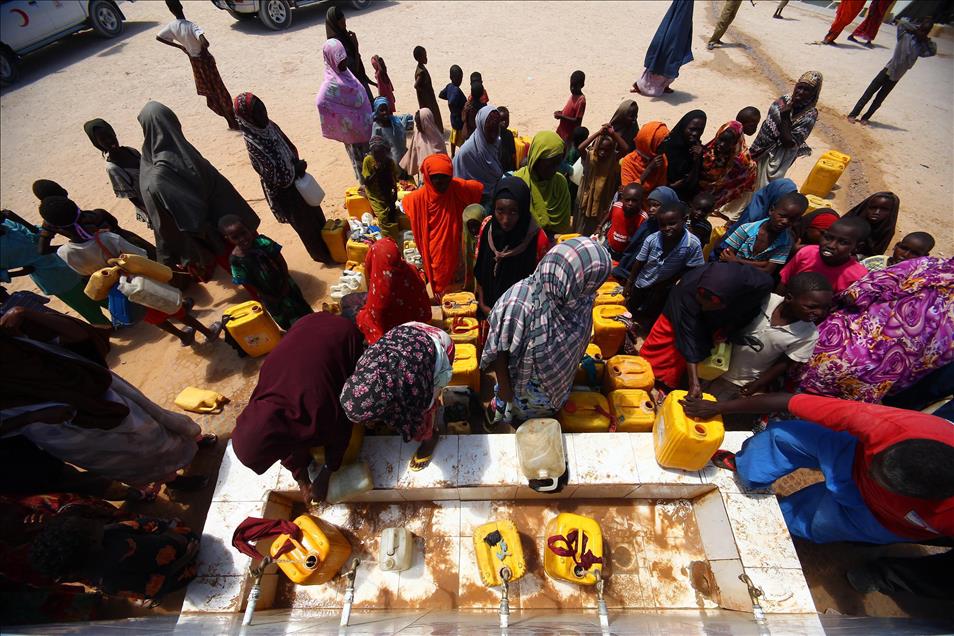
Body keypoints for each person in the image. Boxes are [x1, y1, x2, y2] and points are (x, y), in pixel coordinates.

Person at [684, 392, 954, 544]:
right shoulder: (894, 428)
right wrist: (721, 405)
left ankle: (774, 527)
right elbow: (789, 401)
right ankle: (745, 469)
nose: (873, 477)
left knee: (814, 522)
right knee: (783, 437)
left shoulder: (947, 519)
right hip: (854, 454)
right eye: (878, 467)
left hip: (884, 518)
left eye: (880, 479)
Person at [0, 308, 211, 489]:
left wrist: (28, 314)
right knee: (133, 456)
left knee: (153, 424)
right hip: (60, 428)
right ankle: (172, 480)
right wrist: (36, 416)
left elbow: (79, 336)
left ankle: (191, 443)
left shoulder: (14, 331)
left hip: (98, 390)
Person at [40, 197, 220, 345]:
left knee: (151, 316)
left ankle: (183, 336)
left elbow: (82, 273)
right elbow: (139, 255)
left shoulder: (64, 252)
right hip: (138, 281)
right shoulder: (106, 237)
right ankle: (207, 332)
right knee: (171, 307)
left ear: (56, 229)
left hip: (117, 292)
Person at [233, 313, 364, 504]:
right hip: (306, 322)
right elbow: (283, 444)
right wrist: (301, 478)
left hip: (341, 334)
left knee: (355, 396)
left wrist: (326, 474)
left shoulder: (317, 408)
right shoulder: (262, 407)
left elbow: (341, 431)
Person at [482, 238, 612, 425]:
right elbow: (500, 349)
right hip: (522, 385)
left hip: (558, 385)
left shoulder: (580, 296)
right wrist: (504, 389)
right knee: (514, 415)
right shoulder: (519, 304)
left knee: (538, 419)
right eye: (594, 283)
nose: (595, 289)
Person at [796, 256, 954, 403]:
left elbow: (862, 290)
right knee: (823, 413)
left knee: (793, 389)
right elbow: (935, 357)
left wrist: (845, 301)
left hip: (836, 346)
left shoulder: (929, 265)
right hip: (876, 376)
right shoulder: (929, 266)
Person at [138, 101, 261, 277]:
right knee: (250, 271)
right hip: (222, 231)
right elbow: (190, 218)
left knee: (258, 264)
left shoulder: (174, 150)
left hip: (228, 228)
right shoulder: (160, 175)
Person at [701, 272, 832, 408]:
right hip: (712, 361)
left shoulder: (808, 334)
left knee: (709, 408)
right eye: (811, 307)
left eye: (825, 308)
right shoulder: (766, 299)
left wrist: (759, 383)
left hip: (739, 379)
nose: (819, 313)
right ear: (789, 298)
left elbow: (785, 363)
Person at [639, 261, 773, 393]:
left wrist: (729, 328)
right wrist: (694, 383)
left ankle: (678, 377)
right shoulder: (688, 288)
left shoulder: (760, 284)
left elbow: (749, 307)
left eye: (710, 305)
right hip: (683, 311)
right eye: (702, 303)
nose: (704, 308)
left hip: (719, 314)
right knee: (669, 345)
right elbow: (689, 336)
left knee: (698, 350)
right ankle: (649, 376)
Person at [233, 92, 331, 264]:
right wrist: (295, 169)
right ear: (249, 118)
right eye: (258, 113)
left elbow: (288, 145)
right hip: (287, 194)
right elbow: (275, 177)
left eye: (263, 110)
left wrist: (296, 164)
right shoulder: (254, 144)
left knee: (315, 213)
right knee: (306, 227)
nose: (263, 116)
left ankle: (332, 246)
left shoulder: (269, 126)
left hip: (299, 181)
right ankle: (323, 256)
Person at [341, 322, 455, 470]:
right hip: (408, 333)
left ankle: (431, 438)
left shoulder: (412, 389)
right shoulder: (363, 365)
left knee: (425, 413)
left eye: (368, 420)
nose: (368, 424)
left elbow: (422, 408)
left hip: (439, 346)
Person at [30, 512, 200, 603]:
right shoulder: (110, 579)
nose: (97, 526)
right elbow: (160, 584)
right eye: (92, 529)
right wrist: (186, 556)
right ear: (90, 544)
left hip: (174, 551)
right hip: (179, 565)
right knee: (188, 552)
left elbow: (146, 524)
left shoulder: (106, 580)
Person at [0, 216, 110, 326]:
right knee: (91, 312)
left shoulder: (9, 223)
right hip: (54, 280)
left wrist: (19, 219)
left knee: (106, 298)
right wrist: (19, 272)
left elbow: (38, 235)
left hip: (68, 263)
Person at [404, 154, 483, 297]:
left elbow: (478, 189)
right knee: (441, 286)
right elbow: (407, 204)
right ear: (427, 177)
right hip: (436, 253)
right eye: (436, 177)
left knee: (461, 288)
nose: (442, 183)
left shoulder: (458, 188)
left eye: (446, 177)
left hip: (458, 250)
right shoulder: (417, 199)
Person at [218, 215, 312, 331]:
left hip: (286, 284)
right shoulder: (235, 260)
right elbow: (248, 282)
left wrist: (285, 283)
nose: (242, 239)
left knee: (301, 307)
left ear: (249, 228)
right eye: (236, 237)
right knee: (283, 318)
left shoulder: (262, 242)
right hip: (268, 296)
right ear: (228, 238)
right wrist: (267, 296)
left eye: (243, 233)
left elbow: (281, 261)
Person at [474, 177, 550, 316]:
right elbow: (480, 269)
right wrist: (483, 305)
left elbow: (541, 286)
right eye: (500, 211)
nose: (505, 220)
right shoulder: (487, 227)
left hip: (521, 316)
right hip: (488, 310)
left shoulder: (537, 239)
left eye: (513, 212)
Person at [156, 0, 236, 130]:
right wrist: (203, 48)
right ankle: (232, 120)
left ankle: (229, 120)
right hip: (206, 61)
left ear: (170, 10)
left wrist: (182, 47)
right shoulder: (192, 26)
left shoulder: (171, 26)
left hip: (195, 63)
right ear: (181, 6)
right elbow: (205, 42)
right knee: (219, 88)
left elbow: (159, 37)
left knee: (211, 92)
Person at [623, 202, 705, 328]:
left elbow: (692, 268)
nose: (667, 228)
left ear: (684, 220)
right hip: (644, 279)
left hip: (666, 285)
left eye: (672, 223)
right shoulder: (652, 239)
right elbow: (639, 262)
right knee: (632, 305)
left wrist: (671, 281)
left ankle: (648, 328)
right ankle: (629, 325)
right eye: (662, 225)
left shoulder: (692, 244)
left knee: (655, 309)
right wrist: (629, 283)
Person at [848, 18, 936, 124]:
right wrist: (916, 30)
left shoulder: (921, 46)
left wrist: (926, 39)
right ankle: (853, 114)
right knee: (869, 93)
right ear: (919, 27)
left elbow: (933, 50)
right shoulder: (905, 36)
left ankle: (866, 118)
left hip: (897, 75)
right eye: (922, 29)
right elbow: (902, 23)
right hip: (888, 69)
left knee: (879, 99)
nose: (922, 33)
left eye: (925, 31)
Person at [33, 188, 155, 261]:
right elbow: (118, 229)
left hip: (102, 260)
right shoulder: (97, 215)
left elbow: (42, 250)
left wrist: (77, 246)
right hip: (127, 245)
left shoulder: (51, 225)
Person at [749, 72, 823, 188]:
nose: (801, 92)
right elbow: (767, 129)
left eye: (806, 90)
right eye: (799, 87)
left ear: (813, 94)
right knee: (748, 181)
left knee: (764, 188)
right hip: (760, 150)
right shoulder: (782, 102)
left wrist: (785, 118)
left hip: (778, 160)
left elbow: (789, 143)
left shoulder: (810, 114)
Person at [316, 38, 373, 182]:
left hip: (366, 131)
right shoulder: (330, 84)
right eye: (339, 59)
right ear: (330, 60)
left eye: (344, 58)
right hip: (352, 137)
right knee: (361, 166)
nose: (344, 62)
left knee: (373, 163)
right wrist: (343, 119)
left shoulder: (347, 74)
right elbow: (321, 102)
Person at [356, 238, 431, 344]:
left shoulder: (378, 294)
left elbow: (373, 319)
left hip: (392, 335)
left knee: (356, 311)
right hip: (419, 324)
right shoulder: (412, 271)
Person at [82, 119, 149, 227]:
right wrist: (150, 213)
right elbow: (131, 197)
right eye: (103, 140)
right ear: (97, 144)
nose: (109, 141)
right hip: (147, 204)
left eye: (110, 136)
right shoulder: (113, 168)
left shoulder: (130, 151)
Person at [777, 217, 869, 295]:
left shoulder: (858, 276)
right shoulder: (806, 253)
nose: (831, 245)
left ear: (857, 247)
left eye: (843, 242)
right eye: (828, 238)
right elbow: (784, 282)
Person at [720, 192, 806, 274]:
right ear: (771, 210)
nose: (785, 222)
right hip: (731, 271)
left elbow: (768, 270)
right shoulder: (746, 229)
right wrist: (762, 263)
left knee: (766, 282)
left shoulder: (786, 242)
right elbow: (726, 256)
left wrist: (737, 261)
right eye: (782, 215)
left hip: (753, 278)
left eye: (792, 219)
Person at [611, 186, 681, 281]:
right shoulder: (648, 224)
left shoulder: (673, 232)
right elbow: (632, 248)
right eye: (650, 205)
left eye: (656, 205)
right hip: (629, 272)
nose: (651, 209)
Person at [632, 0, 695, 96]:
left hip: (684, 15)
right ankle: (644, 85)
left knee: (673, 51)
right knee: (671, 51)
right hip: (682, 14)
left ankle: (664, 85)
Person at [515, 131, 572, 235]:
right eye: (550, 164)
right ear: (536, 159)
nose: (555, 169)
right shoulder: (518, 181)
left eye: (558, 163)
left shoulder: (560, 183)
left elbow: (563, 223)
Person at [575, 125, 627, 234]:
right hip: (586, 199)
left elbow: (625, 148)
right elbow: (580, 148)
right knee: (581, 226)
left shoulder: (612, 160)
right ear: (596, 147)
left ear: (612, 150)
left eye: (607, 150)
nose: (603, 152)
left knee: (596, 228)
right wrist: (598, 133)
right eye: (601, 149)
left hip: (602, 201)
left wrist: (613, 134)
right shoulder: (590, 157)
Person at [698, 121, 757, 211]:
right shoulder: (709, 150)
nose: (721, 145)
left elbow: (748, 173)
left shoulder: (741, 161)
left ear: (734, 143)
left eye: (727, 142)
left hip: (714, 197)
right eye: (720, 139)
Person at [452, 105, 503, 203]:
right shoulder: (466, 152)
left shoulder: (496, 142)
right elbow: (457, 179)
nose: (493, 134)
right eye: (489, 129)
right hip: (472, 200)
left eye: (496, 128)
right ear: (481, 127)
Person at [325, 5, 375, 101]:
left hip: (360, 83)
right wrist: (356, 46)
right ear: (334, 24)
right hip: (354, 89)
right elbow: (354, 71)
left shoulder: (344, 36)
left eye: (345, 22)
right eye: (342, 23)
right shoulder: (337, 46)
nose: (345, 25)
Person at [657, 109, 707, 201]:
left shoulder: (698, 150)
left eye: (700, 130)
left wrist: (697, 160)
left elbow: (693, 183)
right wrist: (670, 185)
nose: (695, 134)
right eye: (692, 129)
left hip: (684, 195)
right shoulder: (666, 145)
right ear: (683, 126)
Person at [362, 136, 401, 241]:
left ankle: (393, 236)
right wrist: (376, 172)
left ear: (385, 151)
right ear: (372, 152)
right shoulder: (368, 161)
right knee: (383, 216)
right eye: (376, 153)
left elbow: (393, 180)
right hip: (374, 193)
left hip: (387, 192)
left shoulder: (389, 162)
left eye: (381, 152)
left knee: (392, 213)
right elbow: (366, 182)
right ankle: (387, 239)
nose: (379, 156)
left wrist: (394, 195)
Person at [619, 121, 670, 200]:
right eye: (665, 139)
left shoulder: (662, 158)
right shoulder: (629, 161)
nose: (669, 142)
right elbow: (628, 192)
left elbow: (661, 189)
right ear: (652, 142)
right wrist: (649, 169)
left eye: (668, 138)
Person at [844, 191, 900, 257]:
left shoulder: (886, 230)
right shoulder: (850, 221)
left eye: (884, 209)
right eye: (873, 207)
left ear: (891, 212)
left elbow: (874, 256)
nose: (877, 212)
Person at [400, 107, 447, 178]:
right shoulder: (418, 135)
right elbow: (412, 152)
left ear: (425, 123)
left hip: (437, 178)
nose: (416, 126)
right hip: (423, 177)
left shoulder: (438, 139)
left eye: (418, 123)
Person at [605, 183, 646, 260]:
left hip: (624, 253)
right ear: (622, 199)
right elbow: (609, 215)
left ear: (641, 201)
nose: (630, 203)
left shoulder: (642, 218)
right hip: (609, 245)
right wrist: (600, 226)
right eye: (627, 200)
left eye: (634, 201)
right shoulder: (616, 206)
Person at [862, 231, 935, 272]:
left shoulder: (916, 277)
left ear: (924, 257)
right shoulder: (874, 262)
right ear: (896, 246)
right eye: (903, 248)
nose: (906, 255)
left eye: (915, 253)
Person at [412, 45, 443, 134]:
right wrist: (424, 93)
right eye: (424, 56)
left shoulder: (420, 68)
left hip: (427, 97)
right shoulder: (421, 72)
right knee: (432, 114)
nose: (426, 58)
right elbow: (416, 85)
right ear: (419, 58)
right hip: (427, 99)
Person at [371, 96, 408, 168]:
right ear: (376, 111)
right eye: (381, 110)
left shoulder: (396, 122)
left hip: (404, 160)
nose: (385, 112)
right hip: (390, 166)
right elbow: (375, 148)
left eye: (386, 109)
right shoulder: (377, 128)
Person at [440, 64, 467, 156]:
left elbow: (441, 95)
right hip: (459, 119)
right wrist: (455, 108)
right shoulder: (456, 91)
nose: (460, 80)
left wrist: (448, 96)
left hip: (453, 118)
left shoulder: (449, 86)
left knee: (453, 137)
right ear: (451, 77)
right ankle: (461, 155)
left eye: (461, 78)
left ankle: (452, 154)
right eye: (458, 78)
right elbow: (451, 102)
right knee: (461, 139)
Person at [554, 70, 587, 142]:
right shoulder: (573, 95)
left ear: (582, 85)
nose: (572, 88)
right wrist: (561, 112)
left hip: (569, 134)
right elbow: (569, 111)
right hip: (562, 130)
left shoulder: (581, 100)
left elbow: (577, 121)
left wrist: (562, 116)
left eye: (575, 86)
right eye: (571, 85)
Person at [461, 204, 484, 293]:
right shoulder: (465, 240)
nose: (474, 230)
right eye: (470, 227)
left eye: (477, 225)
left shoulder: (490, 240)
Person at [497, 107, 517, 173]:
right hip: (498, 167)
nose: (504, 122)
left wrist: (514, 168)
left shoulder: (509, 134)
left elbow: (513, 154)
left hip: (509, 167)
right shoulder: (494, 135)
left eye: (506, 119)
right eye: (502, 120)